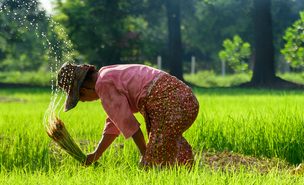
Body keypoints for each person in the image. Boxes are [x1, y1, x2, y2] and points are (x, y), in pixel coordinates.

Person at [57, 62, 199, 168]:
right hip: (186, 98)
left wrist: (145, 155)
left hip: (166, 103)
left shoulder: (103, 85)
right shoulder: (107, 73)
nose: (83, 101)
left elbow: (127, 122)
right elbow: (114, 122)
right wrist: (96, 154)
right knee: (169, 144)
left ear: (84, 89)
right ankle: (188, 178)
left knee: (155, 159)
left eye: (80, 98)